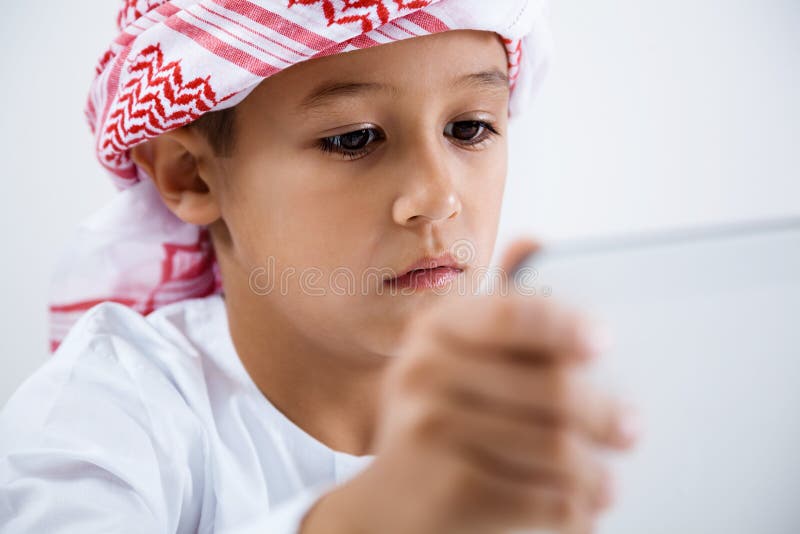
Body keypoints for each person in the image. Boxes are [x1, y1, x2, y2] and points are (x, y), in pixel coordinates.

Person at [0, 1, 638, 533]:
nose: (437, 199)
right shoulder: (104, 413)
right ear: (190, 174)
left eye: (469, 128)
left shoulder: (567, 420)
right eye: (354, 138)